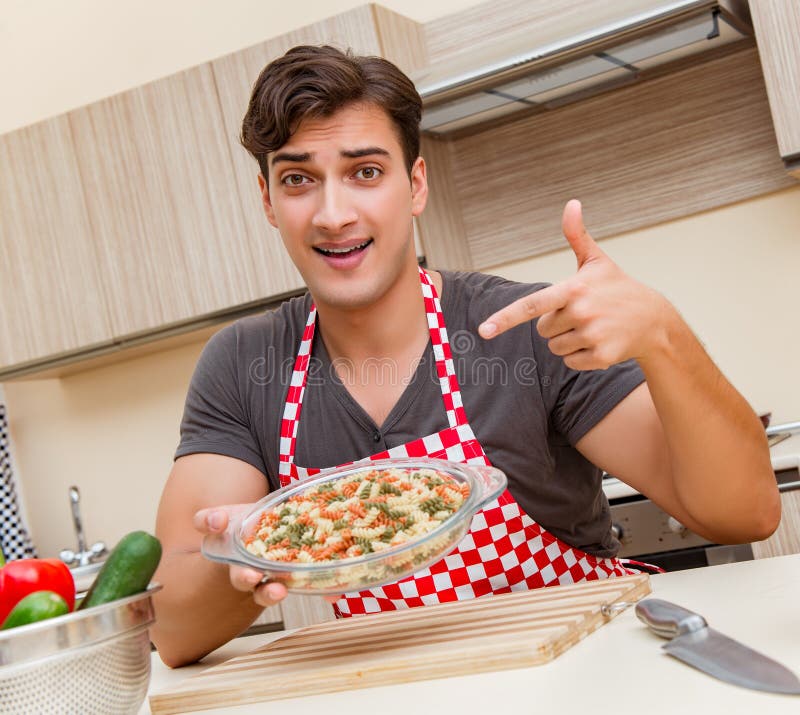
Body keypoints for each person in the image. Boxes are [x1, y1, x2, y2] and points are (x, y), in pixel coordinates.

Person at [149, 45, 779, 667]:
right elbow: (170, 632)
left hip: (583, 679)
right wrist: (250, 554)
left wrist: (663, 333)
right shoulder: (244, 363)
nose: (333, 215)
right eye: (298, 180)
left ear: (415, 184)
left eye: (365, 172)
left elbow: (746, 513)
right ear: (268, 201)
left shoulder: (527, 328)